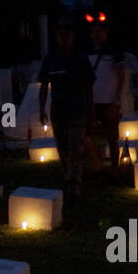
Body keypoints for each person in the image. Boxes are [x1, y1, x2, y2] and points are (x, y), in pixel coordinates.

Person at [38, 17, 95, 197]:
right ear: (56, 37)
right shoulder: (50, 60)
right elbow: (44, 86)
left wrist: (90, 111)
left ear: (73, 36)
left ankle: (74, 183)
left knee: (75, 147)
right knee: (62, 146)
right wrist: (42, 109)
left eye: (67, 34)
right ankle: (69, 173)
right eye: (60, 34)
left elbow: (88, 88)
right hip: (58, 111)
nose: (64, 38)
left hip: (77, 111)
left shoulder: (81, 59)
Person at [86, 15, 126, 173]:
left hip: (109, 100)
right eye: (93, 32)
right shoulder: (86, 50)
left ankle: (114, 167)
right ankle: (97, 162)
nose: (96, 35)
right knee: (89, 134)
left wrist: (116, 98)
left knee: (112, 136)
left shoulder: (114, 50)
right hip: (92, 101)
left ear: (106, 33)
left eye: (99, 32)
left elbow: (120, 73)